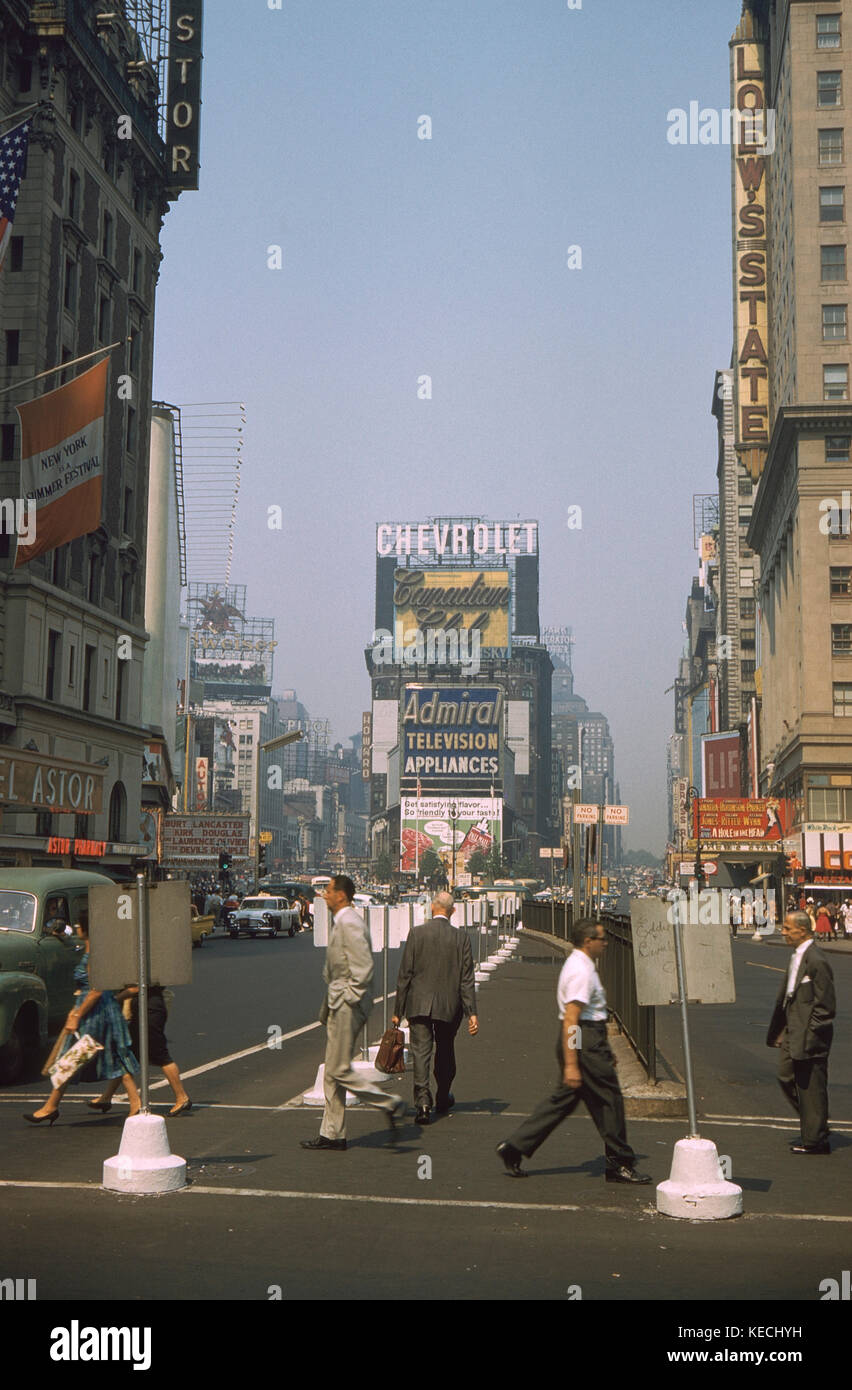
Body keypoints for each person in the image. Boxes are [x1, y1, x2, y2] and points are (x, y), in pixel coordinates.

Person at [496, 918, 651, 1184]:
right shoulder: (581, 970)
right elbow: (572, 1019)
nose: (605, 942)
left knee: (563, 1101)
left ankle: (514, 1147)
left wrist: (598, 1050)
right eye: (602, 939)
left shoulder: (581, 964)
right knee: (609, 1100)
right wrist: (574, 1061)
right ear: (588, 941)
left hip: (586, 1039)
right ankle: (619, 1163)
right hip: (582, 1036)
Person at [300, 875, 404, 1151]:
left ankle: (388, 1103)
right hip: (339, 1002)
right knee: (333, 1073)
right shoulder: (342, 921)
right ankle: (332, 1134)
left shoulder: (350, 922)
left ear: (342, 896)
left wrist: (348, 999)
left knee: (337, 1069)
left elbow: (363, 967)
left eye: (329, 890)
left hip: (348, 1004)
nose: (324, 894)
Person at [23, 915, 140, 1125]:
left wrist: (77, 1015)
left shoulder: (94, 955)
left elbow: (95, 990)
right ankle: (135, 1103)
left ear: (86, 929)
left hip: (95, 1013)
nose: (76, 928)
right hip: (101, 1009)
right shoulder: (91, 950)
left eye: (79, 925)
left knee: (74, 1057)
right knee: (111, 1055)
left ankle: (51, 1107)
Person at [391, 890, 478, 1125]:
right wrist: (472, 1013)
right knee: (446, 1049)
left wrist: (398, 1011)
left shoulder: (417, 934)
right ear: (453, 911)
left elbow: (405, 975)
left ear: (431, 907)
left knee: (421, 1052)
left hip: (419, 1004)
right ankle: (442, 1095)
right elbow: (466, 979)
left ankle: (422, 1104)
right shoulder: (461, 938)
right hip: (450, 1006)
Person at [767, 909, 835, 1154]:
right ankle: (815, 1122)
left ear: (802, 931)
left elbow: (826, 1005)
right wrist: (781, 1029)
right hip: (792, 1029)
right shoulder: (796, 955)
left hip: (810, 1033)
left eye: (787, 928)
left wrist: (813, 1032)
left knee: (811, 1086)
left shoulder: (816, 960)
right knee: (786, 1077)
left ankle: (816, 1139)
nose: (783, 932)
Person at [89, 984, 192, 1117]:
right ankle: (106, 1097)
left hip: (150, 1010)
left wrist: (114, 999)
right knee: (126, 1054)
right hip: (143, 1009)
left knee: (160, 1054)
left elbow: (135, 989)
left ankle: (182, 1097)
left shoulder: (145, 970)